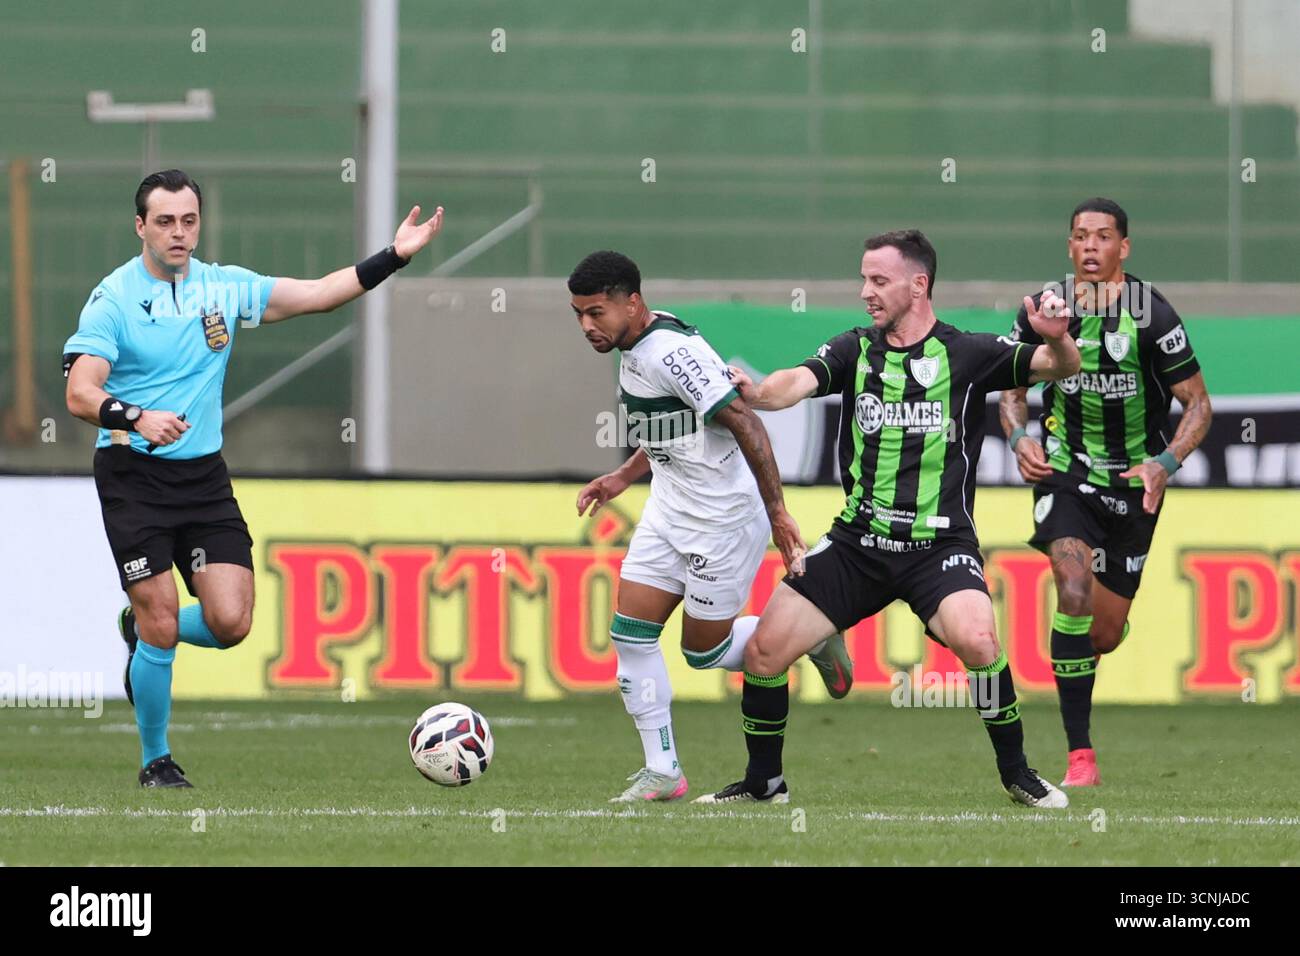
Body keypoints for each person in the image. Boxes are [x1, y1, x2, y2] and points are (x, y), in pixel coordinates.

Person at [63, 169, 444, 787]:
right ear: (140, 227)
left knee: (231, 623)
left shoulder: (224, 288)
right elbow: (81, 392)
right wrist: (136, 417)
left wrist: (394, 256)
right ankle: (155, 760)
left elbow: (319, 293)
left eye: (188, 220)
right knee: (164, 617)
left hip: (203, 480)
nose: (178, 233)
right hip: (132, 476)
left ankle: (137, 628)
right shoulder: (113, 300)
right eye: (164, 221)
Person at [695, 229, 1079, 807]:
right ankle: (763, 785)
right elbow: (793, 383)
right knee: (764, 653)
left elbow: (1058, 368)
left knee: (979, 640)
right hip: (857, 544)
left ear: (918, 284)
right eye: (863, 279)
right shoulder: (853, 349)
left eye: (879, 280)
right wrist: (755, 391)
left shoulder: (968, 354)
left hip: (939, 547)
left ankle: (1018, 773)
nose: (866, 292)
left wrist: (1060, 339)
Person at [569, 250, 853, 803]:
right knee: (630, 633)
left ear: (632, 302)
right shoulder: (631, 347)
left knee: (703, 652)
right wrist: (625, 475)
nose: (586, 325)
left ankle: (811, 633)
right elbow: (672, 427)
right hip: (668, 512)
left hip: (722, 519)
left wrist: (777, 513)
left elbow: (744, 420)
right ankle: (663, 771)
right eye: (578, 314)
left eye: (595, 312)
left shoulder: (670, 352)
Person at [999, 197, 1212, 786]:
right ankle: (1079, 758)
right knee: (1071, 586)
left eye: (1103, 236)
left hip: (1134, 482)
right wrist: (1019, 437)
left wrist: (1165, 463)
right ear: (1069, 247)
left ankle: (1096, 640)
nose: (1091, 246)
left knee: (1102, 633)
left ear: (1124, 248)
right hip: (1067, 473)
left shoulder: (1154, 316)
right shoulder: (1044, 308)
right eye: (1080, 237)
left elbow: (1199, 406)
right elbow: (1011, 387)